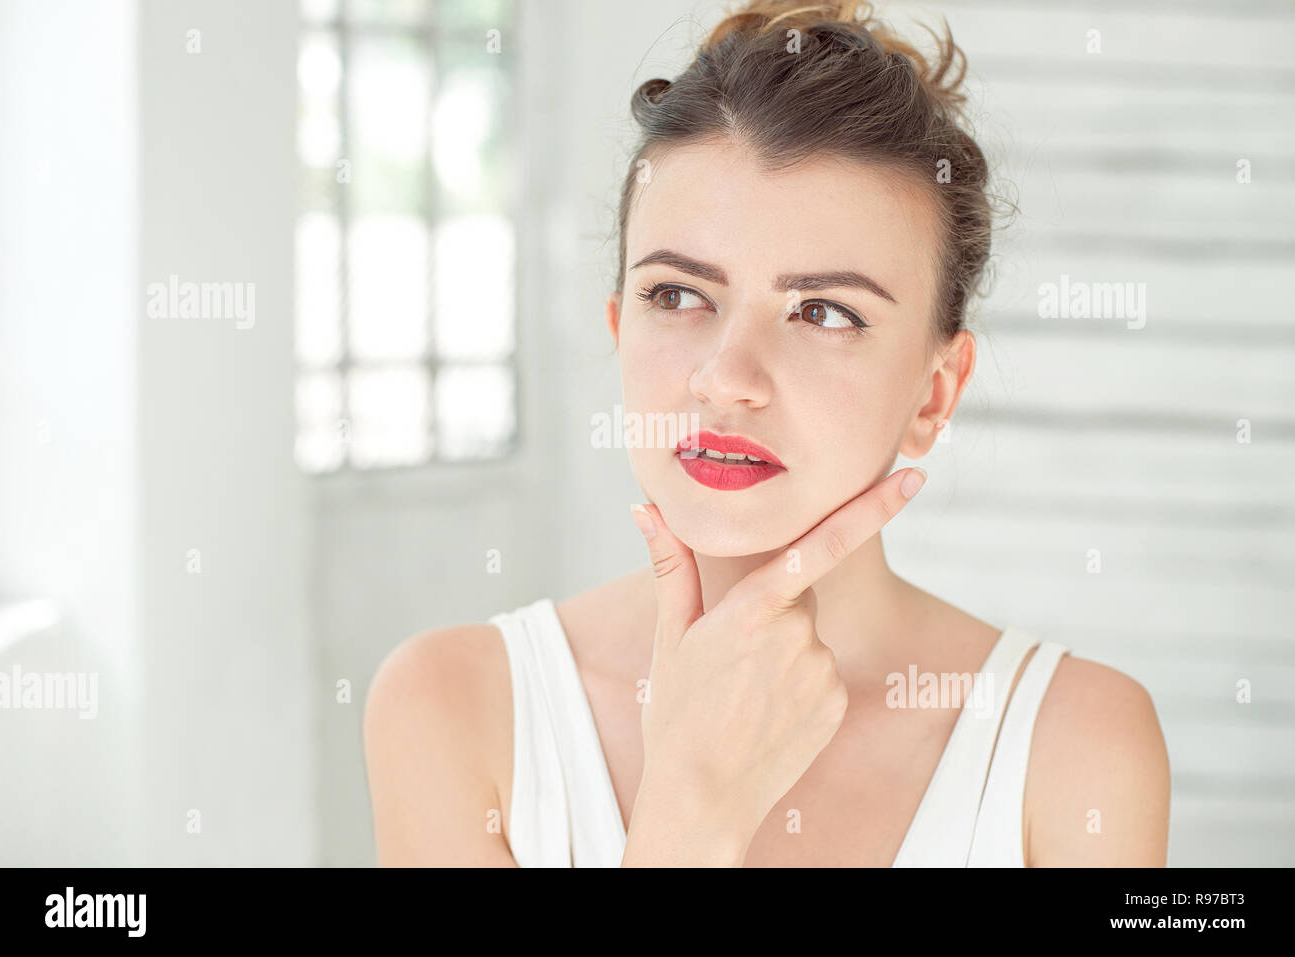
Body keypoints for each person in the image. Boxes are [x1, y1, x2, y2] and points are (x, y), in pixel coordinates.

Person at [363, 0, 1171, 867]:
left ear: (935, 394)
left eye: (824, 311)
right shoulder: (452, 705)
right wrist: (691, 807)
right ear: (617, 329)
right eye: (676, 295)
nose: (728, 378)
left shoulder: (1078, 745)